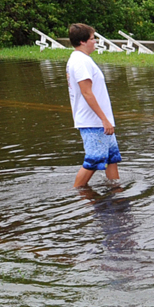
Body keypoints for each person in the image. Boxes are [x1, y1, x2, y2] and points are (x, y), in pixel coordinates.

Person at [66, 23, 120, 188]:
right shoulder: (80, 62)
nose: (95, 41)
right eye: (92, 39)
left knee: (111, 157)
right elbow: (86, 92)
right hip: (94, 121)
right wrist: (104, 119)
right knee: (94, 160)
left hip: (100, 121)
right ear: (82, 42)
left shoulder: (82, 59)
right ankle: (77, 193)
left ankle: (116, 191)